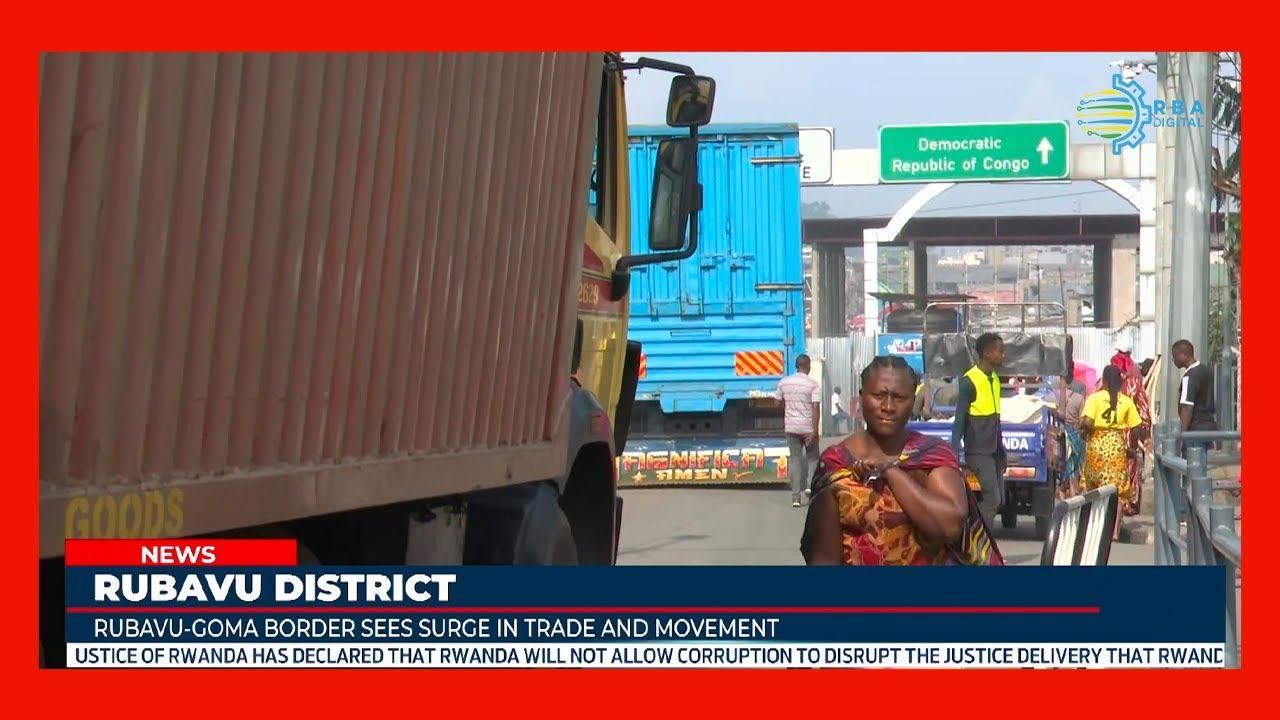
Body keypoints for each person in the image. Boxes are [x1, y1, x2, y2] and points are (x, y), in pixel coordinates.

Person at [799, 357, 1003, 566]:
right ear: (861, 398)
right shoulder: (836, 463)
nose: (888, 406)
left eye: (899, 397)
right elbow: (824, 557)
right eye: (878, 396)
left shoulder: (932, 455)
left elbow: (950, 526)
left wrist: (892, 473)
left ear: (912, 400)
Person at [1079, 365, 1144, 540]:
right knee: (1118, 490)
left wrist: (1084, 432)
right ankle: (1114, 531)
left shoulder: (1094, 399)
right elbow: (1136, 427)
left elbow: (1086, 422)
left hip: (1097, 445)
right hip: (1116, 445)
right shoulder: (1126, 401)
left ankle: (1093, 528)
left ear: (1104, 380)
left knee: (1093, 487)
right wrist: (1131, 448)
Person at [950, 333, 1006, 530]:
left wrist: (1002, 451)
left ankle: (973, 535)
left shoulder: (995, 379)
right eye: (1000, 351)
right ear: (987, 353)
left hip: (994, 450)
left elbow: (996, 419)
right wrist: (953, 450)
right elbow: (959, 419)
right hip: (978, 450)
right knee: (992, 500)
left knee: (1001, 500)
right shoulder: (969, 381)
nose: (1003, 356)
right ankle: (979, 543)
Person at [1102, 337, 1152, 515]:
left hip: (1104, 436)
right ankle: (1124, 507)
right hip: (1128, 435)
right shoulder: (1135, 380)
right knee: (1127, 472)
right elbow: (1144, 412)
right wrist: (1145, 436)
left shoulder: (1103, 382)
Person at [775, 354, 820, 507]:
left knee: (795, 460)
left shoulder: (784, 383)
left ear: (796, 366)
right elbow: (815, 408)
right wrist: (814, 431)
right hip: (808, 428)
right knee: (813, 458)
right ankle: (808, 486)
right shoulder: (813, 385)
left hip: (791, 428)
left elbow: (776, 403)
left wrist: (788, 408)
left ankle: (795, 498)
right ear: (808, 366)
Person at [1172, 339, 1217, 442]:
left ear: (1183, 355)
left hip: (1195, 430)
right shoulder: (1205, 370)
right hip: (1209, 427)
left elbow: (1187, 407)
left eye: (1174, 356)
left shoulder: (1189, 377)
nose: (1173, 360)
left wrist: (1181, 436)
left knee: (1192, 457)